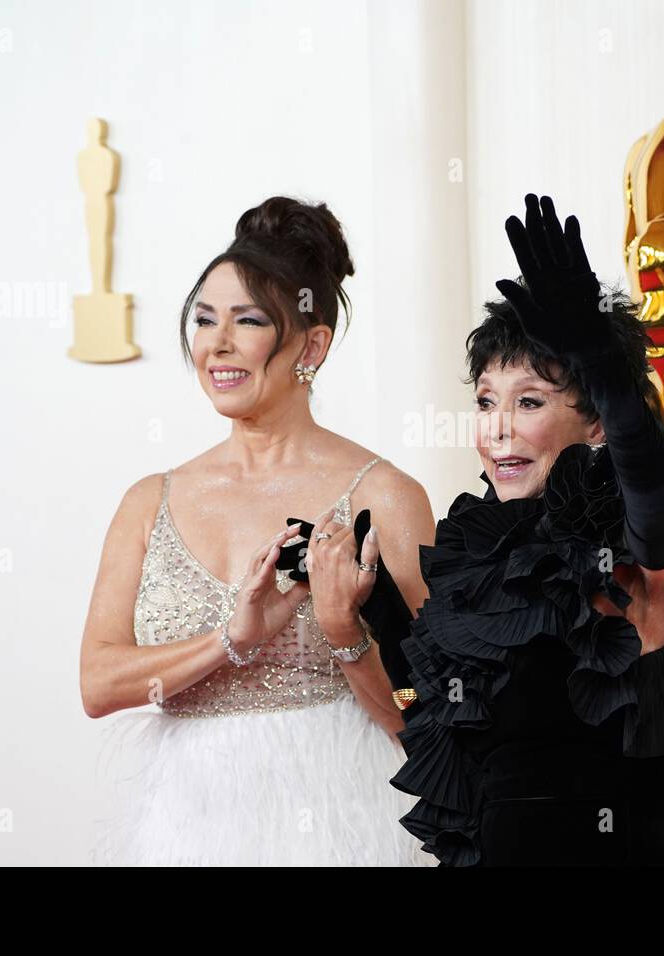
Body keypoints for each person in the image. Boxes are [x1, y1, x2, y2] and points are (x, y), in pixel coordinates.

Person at [382, 194, 664, 865]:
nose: (499, 428)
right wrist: (369, 610)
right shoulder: (483, 570)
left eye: (530, 401)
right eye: (486, 401)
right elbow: (423, 719)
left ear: (597, 421)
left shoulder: (635, 557)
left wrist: (605, 370)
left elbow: (654, 506)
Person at [80, 196, 435, 866]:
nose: (216, 344)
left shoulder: (385, 498)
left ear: (313, 344)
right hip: (190, 830)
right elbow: (98, 683)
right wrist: (231, 640)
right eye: (205, 319)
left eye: (246, 322)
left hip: (351, 822)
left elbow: (436, 717)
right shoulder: (148, 501)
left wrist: (345, 632)